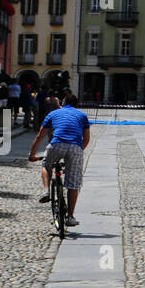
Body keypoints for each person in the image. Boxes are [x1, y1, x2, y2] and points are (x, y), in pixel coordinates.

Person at [28, 93, 91, 228]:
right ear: (77, 104)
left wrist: (32, 154)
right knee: (73, 184)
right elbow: (86, 139)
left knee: (46, 164)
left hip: (57, 145)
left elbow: (40, 136)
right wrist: (78, 151)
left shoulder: (53, 114)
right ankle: (71, 217)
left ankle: (46, 190)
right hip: (75, 147)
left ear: (62, 103)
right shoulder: (82, 116)